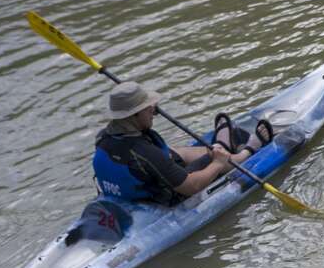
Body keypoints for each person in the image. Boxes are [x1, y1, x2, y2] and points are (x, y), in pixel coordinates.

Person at [93, 81, 275, 205]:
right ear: (134, 114)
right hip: (167, 195)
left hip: (136, 183)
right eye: (148, 108)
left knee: (173, 152)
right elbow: (191, 187)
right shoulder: (144, 152)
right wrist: (217, 163)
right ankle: (247, 151)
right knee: (213, 159)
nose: (153, 110)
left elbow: (152, 154)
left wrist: (147, 112)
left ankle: (222, 145)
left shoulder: (104, 137)